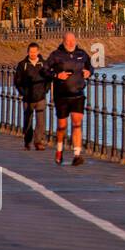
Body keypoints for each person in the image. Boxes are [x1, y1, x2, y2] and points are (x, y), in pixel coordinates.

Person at [45, 32, 94, 166]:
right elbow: (44, 70)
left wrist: (89, 72)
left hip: (78, 94)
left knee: (77, 123)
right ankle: (59, 150)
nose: (71, 43)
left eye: (73, 41)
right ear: (63, 41)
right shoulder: (56, 55)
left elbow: (90, 66)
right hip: (61, 95)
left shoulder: (82, 54)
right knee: (62, 126)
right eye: (68, 41)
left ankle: (77, 155)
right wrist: (56, 75)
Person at [12, 42, 50, 151]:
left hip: (40, 96)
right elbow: (17, 81)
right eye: (30, 52)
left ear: (38, 52)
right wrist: (23, 92)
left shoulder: (44, 64)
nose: (32, 54)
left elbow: (48, 79)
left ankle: (38, 142)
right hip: (27, 97)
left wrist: (45, 90)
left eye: (34, 52)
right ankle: (27, 141)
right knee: (27, 120)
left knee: (41, 121)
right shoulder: (22, 65)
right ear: (27, 52)